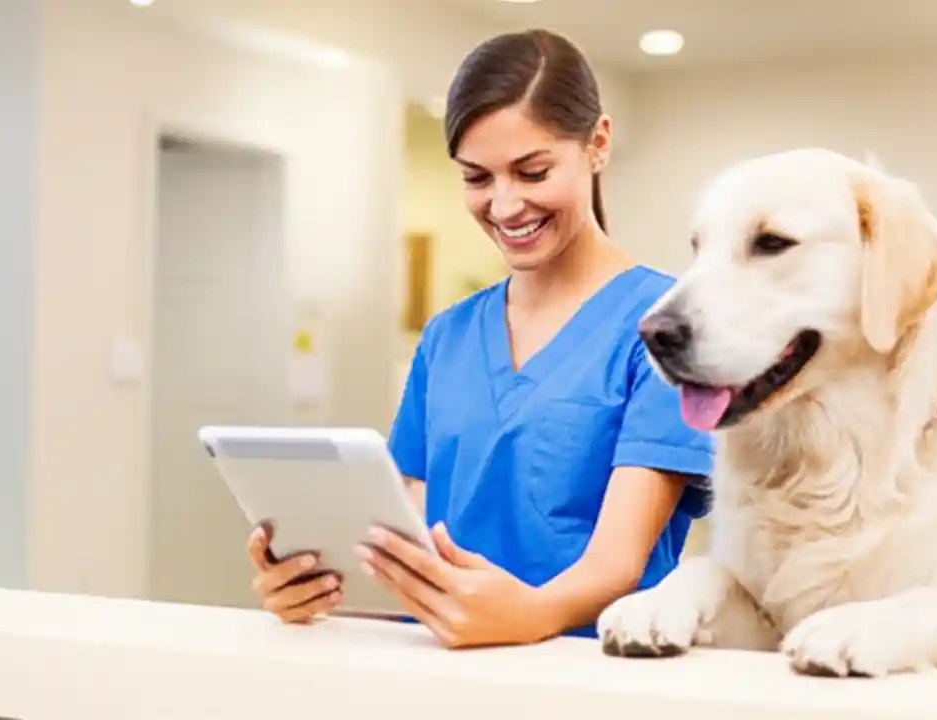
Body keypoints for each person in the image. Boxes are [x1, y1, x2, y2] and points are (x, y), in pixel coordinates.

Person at [245, 28, 714, 647]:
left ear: (597, 144)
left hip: (589, 677)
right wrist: (318, 591)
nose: (504, 205)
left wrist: (532, 615)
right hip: (438, 670)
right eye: (476, 178)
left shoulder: (665, 329)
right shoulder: (448, 338)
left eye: (532, 170)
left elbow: (616, 565)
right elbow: (405, 540)